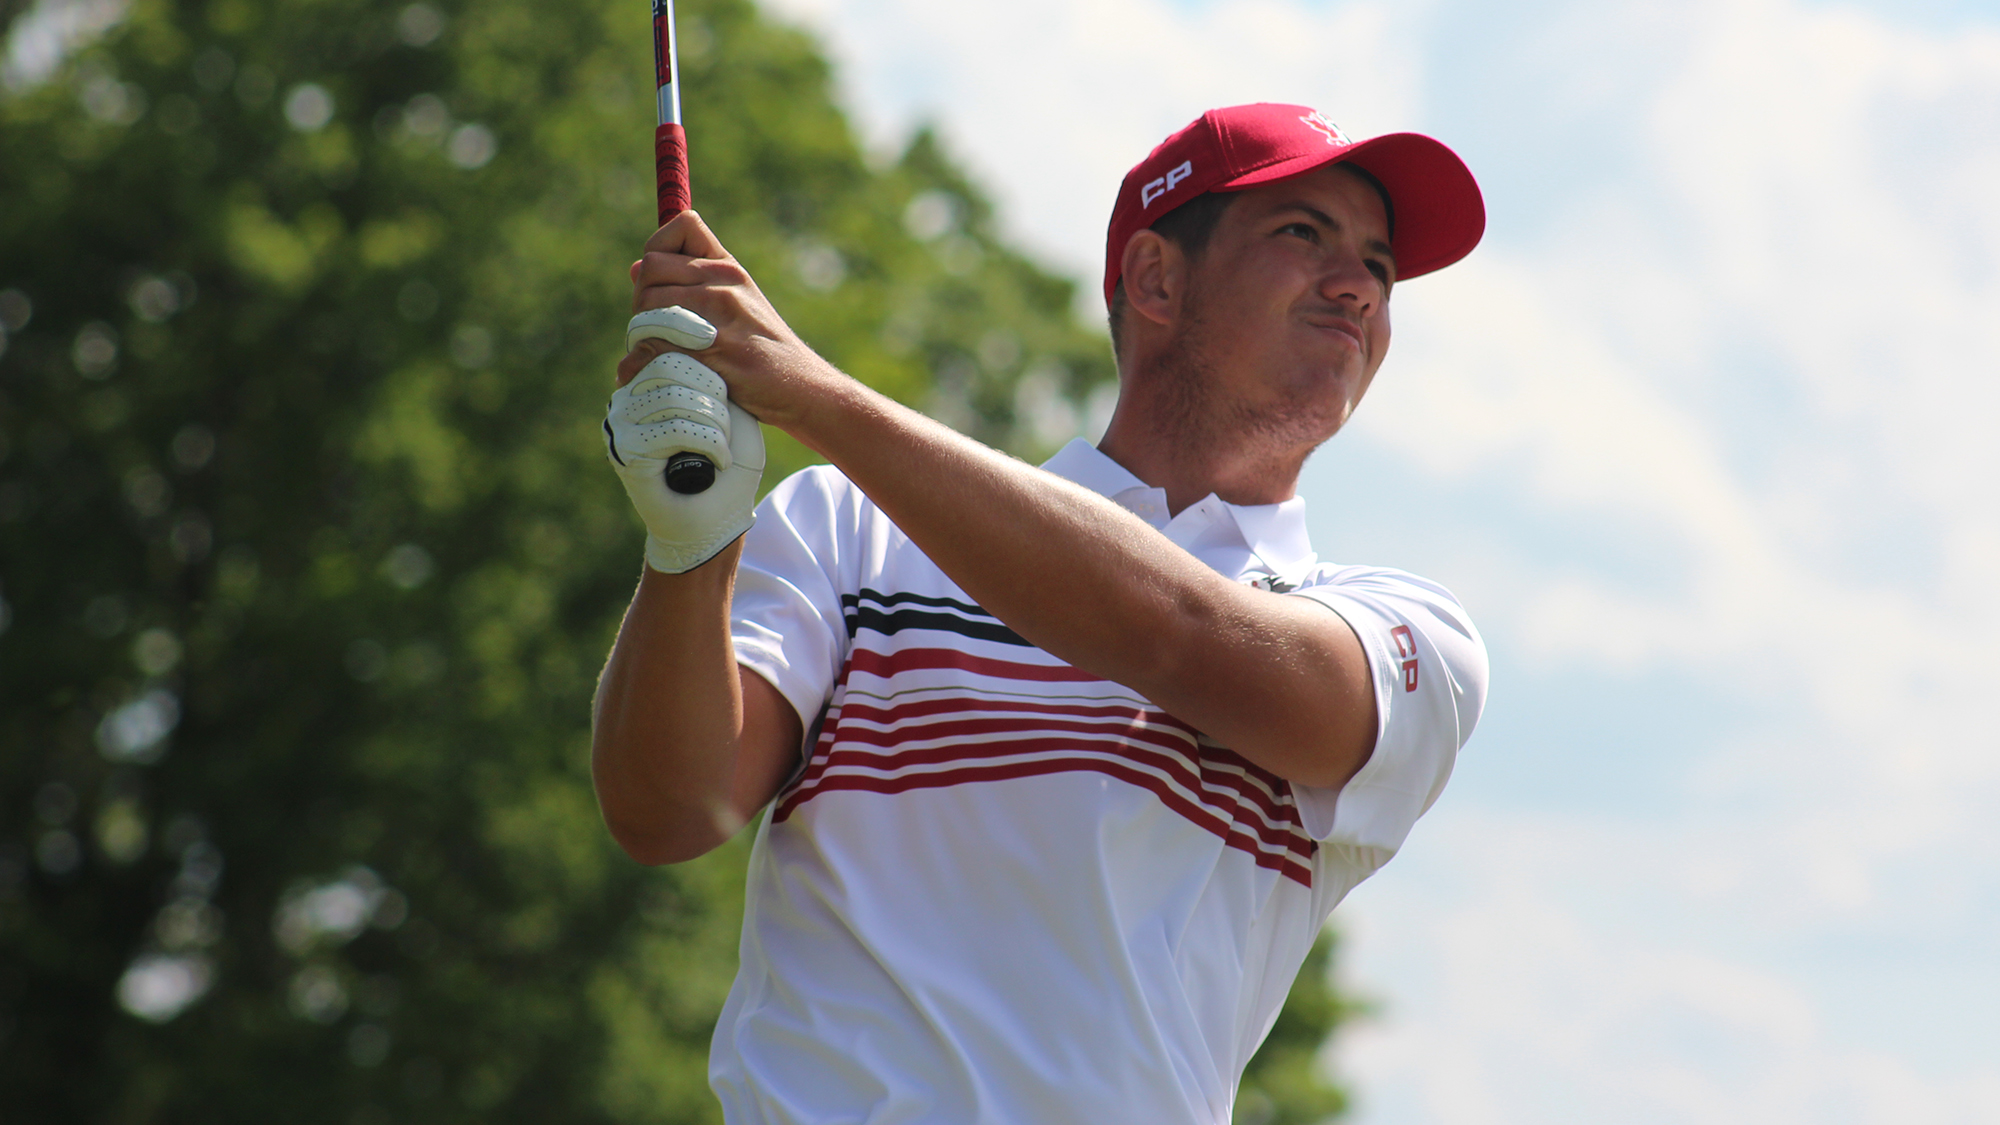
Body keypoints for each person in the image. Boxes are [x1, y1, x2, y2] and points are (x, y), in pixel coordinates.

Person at [593, 103, 1490, 1125]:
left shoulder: (1406, 635)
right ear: (1155, 278)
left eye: (1376, 264)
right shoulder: (850, 524)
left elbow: (1175, 636)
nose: (1356, 286)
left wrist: (820, 400)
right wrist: (687, 550)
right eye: (1303, 235)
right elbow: (666, 811)